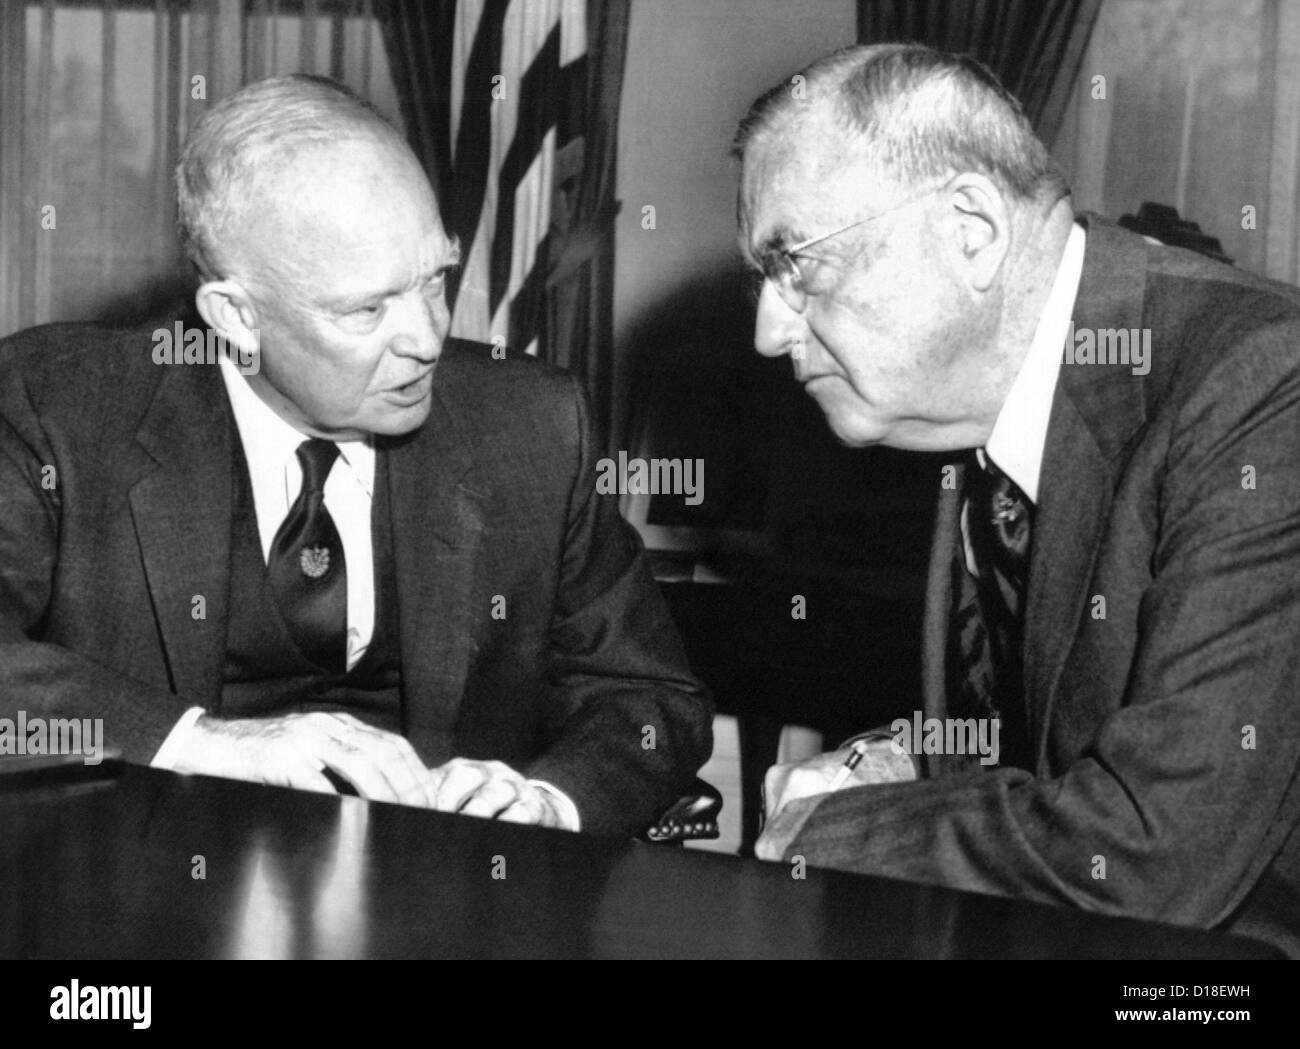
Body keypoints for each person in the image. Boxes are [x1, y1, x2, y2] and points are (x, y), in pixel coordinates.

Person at [0, 74, 711, 838]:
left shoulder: (531, 424)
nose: (429, 338)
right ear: (236, 316)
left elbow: (646, 694)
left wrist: (548, 801)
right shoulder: (59, 408)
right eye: (366, 309)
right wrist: (201, 742)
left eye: (435, 278)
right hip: (150, 893)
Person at [737, 43, 1300, 954]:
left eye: (795, 261)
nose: (767, 330)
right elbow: (1047, 738)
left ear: (973, 230)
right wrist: (899, 758)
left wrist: (839, 827)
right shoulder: (980, 412)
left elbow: (1155, 854)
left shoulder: (1264, 386)